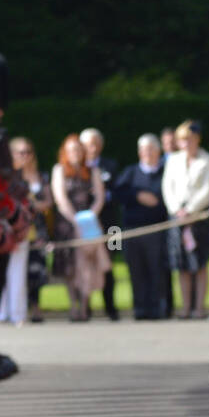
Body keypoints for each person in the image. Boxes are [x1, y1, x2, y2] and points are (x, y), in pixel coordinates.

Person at [161, 120, 209, 318]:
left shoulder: (208, 160)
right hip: (177, 217)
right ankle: (185, 307)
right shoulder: (173, 160)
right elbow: (168, 186)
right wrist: (177, 209)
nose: (186, 143)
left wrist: (191, 210)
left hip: (198, 216)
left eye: (189, 139)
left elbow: (207, 189)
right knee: (182, 265)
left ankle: (199, 307)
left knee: (200, 264)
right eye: (182, 140)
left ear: (197, 139)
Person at [51, 133, 108, 321]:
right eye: (72, 150)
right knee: (70, 266)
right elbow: (61, 199)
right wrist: (75, 220)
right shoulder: (59, 170)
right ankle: (73, 304)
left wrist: (89, 217)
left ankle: (84, 306)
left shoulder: (93, 171)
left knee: (87, 264)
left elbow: (99, 197)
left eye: (78, 149)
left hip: (89, 223)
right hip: (67, 224)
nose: (75, 153)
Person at [113, 134, 168, 319]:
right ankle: (140, 308)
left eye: (152, 149)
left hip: (156, 229)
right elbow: (118, 193)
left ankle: (158, 308)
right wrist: (138, 196)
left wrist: (156, 201)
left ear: (158, 151)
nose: (148, 153)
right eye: (144, 150)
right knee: (136, 271)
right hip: (132, 230)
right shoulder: (130, 172)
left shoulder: (166, 171)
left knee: (157, 270)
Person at [9, 136, 51, 323]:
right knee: (15, 271)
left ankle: (33, 307)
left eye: (28, 152)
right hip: (16, 228)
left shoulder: (40, 176)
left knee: (36, 270)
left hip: (37, 229)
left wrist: (32, 204)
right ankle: (14, 310)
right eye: (20, 152)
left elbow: (48, 202)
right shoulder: (10, 176)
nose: (25, 156)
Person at [81, 127, 120, 321]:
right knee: (85, 265)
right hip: (86, 226)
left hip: (111, 225)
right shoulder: (77, 168)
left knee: (109, 264)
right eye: (89, 144)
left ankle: (110, 307)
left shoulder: (111, 165)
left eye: (95, 143)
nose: (93, 148)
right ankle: (84, 308)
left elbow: (117, 192)